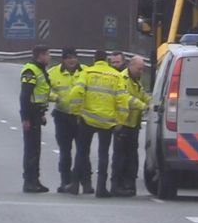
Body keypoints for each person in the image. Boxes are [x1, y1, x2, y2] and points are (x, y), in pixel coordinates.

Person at [66, 50, 146, 197]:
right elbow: (122, 99)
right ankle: (101, 188)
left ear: (94, 59)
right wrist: (121, 120)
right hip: (107, 121)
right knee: (103, 154)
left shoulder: (87, 72)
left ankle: (75, 185)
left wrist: (75, 111)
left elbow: (76, 92)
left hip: (87, 118)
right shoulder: (116, 76)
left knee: (81, 152)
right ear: (108, 61)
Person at [111, 56, 150, 197]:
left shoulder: (136, 80)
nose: (141, 72)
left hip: (133, 124)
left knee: (131, 157)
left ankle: (129, 184)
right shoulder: (122, 79)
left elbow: (143, 94)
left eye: (143, 69)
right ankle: (117, 185)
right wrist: (143, 106)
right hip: (122, 124)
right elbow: (126, 98)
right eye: (139, 69)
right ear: (131, 65)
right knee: (120, 157)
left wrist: (152, 103)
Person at [47, 47, 84, 192]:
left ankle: (81, 181)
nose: (72, 60)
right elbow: (44, 90)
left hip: (81, 117)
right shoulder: (53, 73)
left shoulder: (85, 72)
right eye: (68, 57)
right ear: (63, 59)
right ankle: (65, 181)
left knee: (82, 152)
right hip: (62, 116)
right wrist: (55, 97)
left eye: (74, 57)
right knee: (65, 151)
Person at [19, 45, 52, 193]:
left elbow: (40, 94)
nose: (49, 57)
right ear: (40, 55)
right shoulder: (30, 70)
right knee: (31, 149)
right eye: (47, 54)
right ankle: (29, 181)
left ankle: (35, 180)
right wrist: (25, 118)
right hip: (31, 114)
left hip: (36, 113)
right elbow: (25, 95)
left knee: (36, 149)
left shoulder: (40, 69)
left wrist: (42, 114)